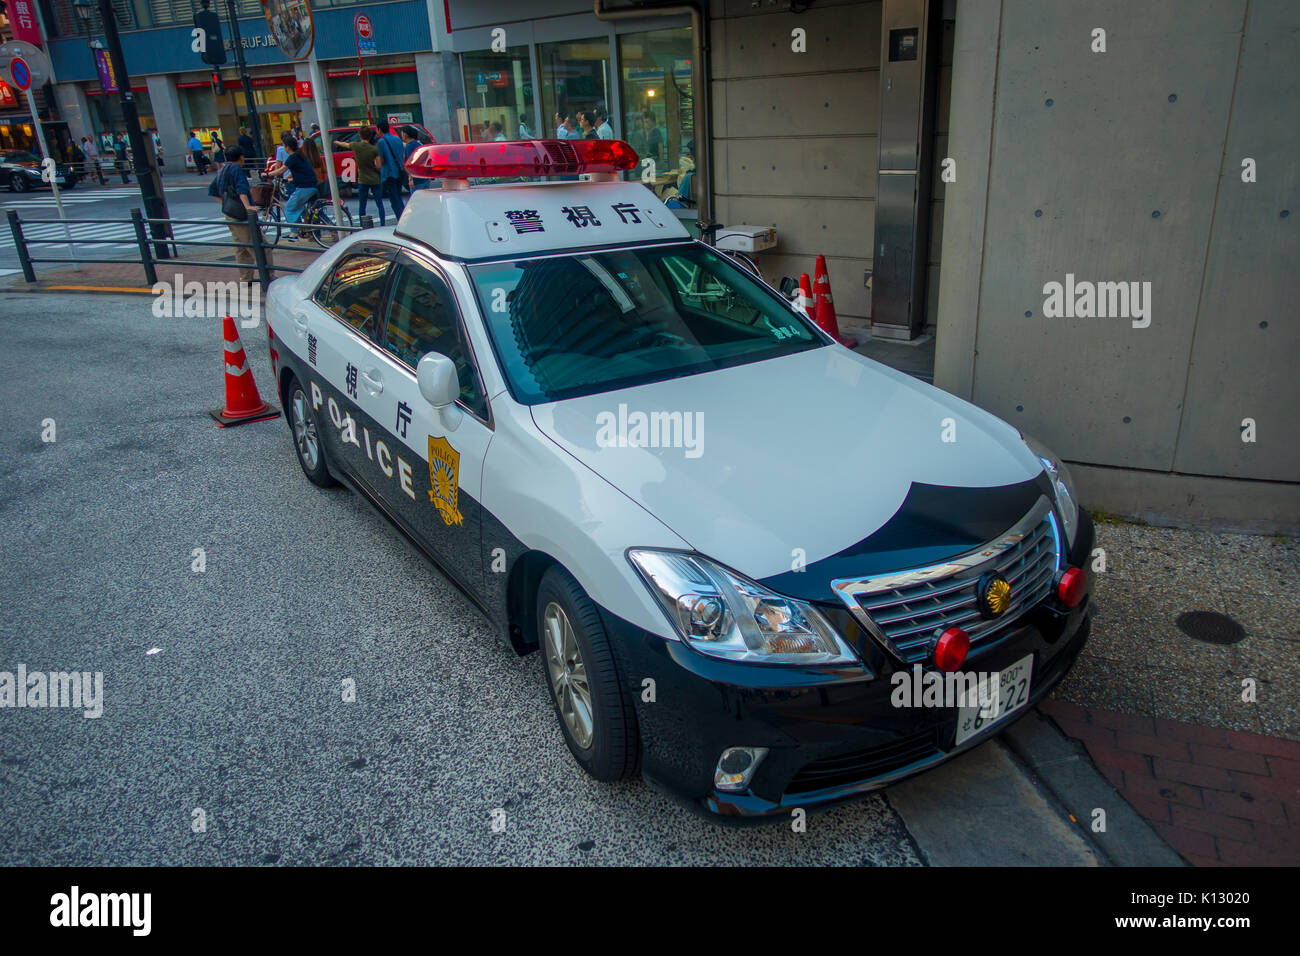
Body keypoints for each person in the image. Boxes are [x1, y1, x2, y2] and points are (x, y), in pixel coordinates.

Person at [207, 145, 267, 283]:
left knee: (240, 248)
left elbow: (212, 190)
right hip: (241, 215)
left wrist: (225, 204)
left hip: (230, 214)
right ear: (241, 157)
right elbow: (242, 189)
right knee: (260, 245)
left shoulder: (222, 169)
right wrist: (248, 207)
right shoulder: (236, 169)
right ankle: (267, 276)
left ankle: (246, 278)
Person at [268, 131, 318, 242]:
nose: (283, 148)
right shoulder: (300, 155)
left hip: (304, 187)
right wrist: (287, 179)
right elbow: (296, 171)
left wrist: (268, 174)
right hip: (310, 186)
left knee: (289, 208)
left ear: (287, 147)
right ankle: (304, 229)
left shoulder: (293, 157)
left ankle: (294, 233)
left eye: (284, 146)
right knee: (299, 207)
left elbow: (282, 169)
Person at [335, 126, 383, 224]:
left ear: (360, 135)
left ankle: (362, 224)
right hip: (374, 179)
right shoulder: (374, 149)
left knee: (362, 204)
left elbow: (345, 144)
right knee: (379, 203)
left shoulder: (355, 146)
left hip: (362, 179)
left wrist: (336, 142)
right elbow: (378, 166)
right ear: (370, 136)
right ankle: (382, 222)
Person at [376, 126, 406, 220]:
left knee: (394, 199)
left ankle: (401, 219)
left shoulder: (381, 142)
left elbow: (382, 159)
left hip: (389, 172)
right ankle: (403, 217)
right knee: (398, 195)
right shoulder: (397, 139)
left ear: (379, 129)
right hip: (399, 171)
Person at [400, 126, 428, 191]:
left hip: (416, 180)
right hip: (425, 178)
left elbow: (410, 164)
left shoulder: (409, 146)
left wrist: (410, 179)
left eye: (402, 133)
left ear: (405, 134)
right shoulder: (419, 144)